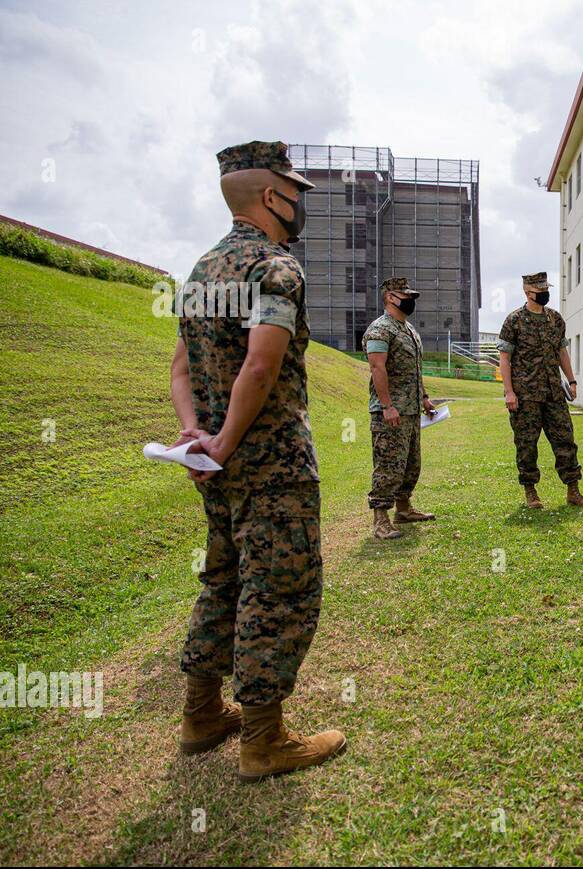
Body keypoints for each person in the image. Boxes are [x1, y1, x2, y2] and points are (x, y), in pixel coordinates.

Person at [170, 140, 344, 783]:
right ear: (274, 195)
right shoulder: (275, 270)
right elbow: (262, 362)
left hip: (218, 469)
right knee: (278, 587)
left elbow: (181, 368)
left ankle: (202, 714)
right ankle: (265, 740)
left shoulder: (200, 273)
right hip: (271, 464)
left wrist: (198, 434)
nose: (301, 204)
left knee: (224, 577)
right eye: (296, 192)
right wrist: (228, 438)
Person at [498, 271, 583, 508]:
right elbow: (505, 358)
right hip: (525, 395)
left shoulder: (556, 319)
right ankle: (531, 492)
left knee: (566, 441)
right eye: (540, 291)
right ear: (527, 293)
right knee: (526, 444)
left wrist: (572, 381)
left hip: (553, 393)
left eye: (546, 290)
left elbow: (562, 352)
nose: (545, 294)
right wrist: (509, 392)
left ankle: (573, 490)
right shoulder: (514, 321)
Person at [363, 276, 438, 539]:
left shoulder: (408, 330)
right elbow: (377, 368)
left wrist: (425, 397)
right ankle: (380, 519)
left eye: (410, 296)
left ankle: (403, 509)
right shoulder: (379, 330)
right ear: (389, 297)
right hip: (390, 411)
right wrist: (387, 405)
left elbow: (414, 370)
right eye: (404, 296)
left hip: (411, 409)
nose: (409, 300)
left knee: (410, 463)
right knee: (388, 465)